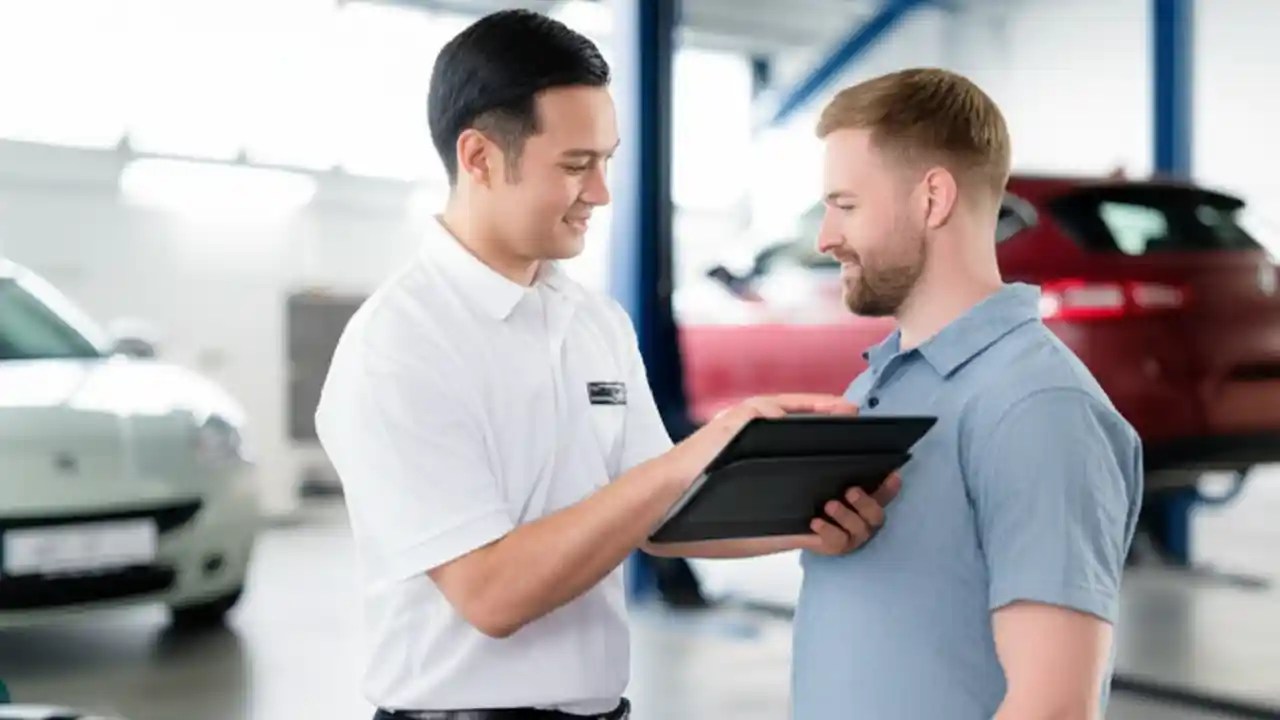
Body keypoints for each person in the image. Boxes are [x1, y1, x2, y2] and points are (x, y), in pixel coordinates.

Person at [314, 10, 900, 720]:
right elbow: (492, 594)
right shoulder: (400, 344)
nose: (601, 193)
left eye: (605, 160)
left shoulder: (594, 322)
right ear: (478, 158)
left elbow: (659, 518)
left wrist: (809, 513)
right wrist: (705, 448)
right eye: (574, 165)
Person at [791, 68, 1143, 719]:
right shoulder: (876, 383)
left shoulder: (1039, 409)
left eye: (845, 205)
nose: (825, 237)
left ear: (932, 199)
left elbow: (1053, 707)